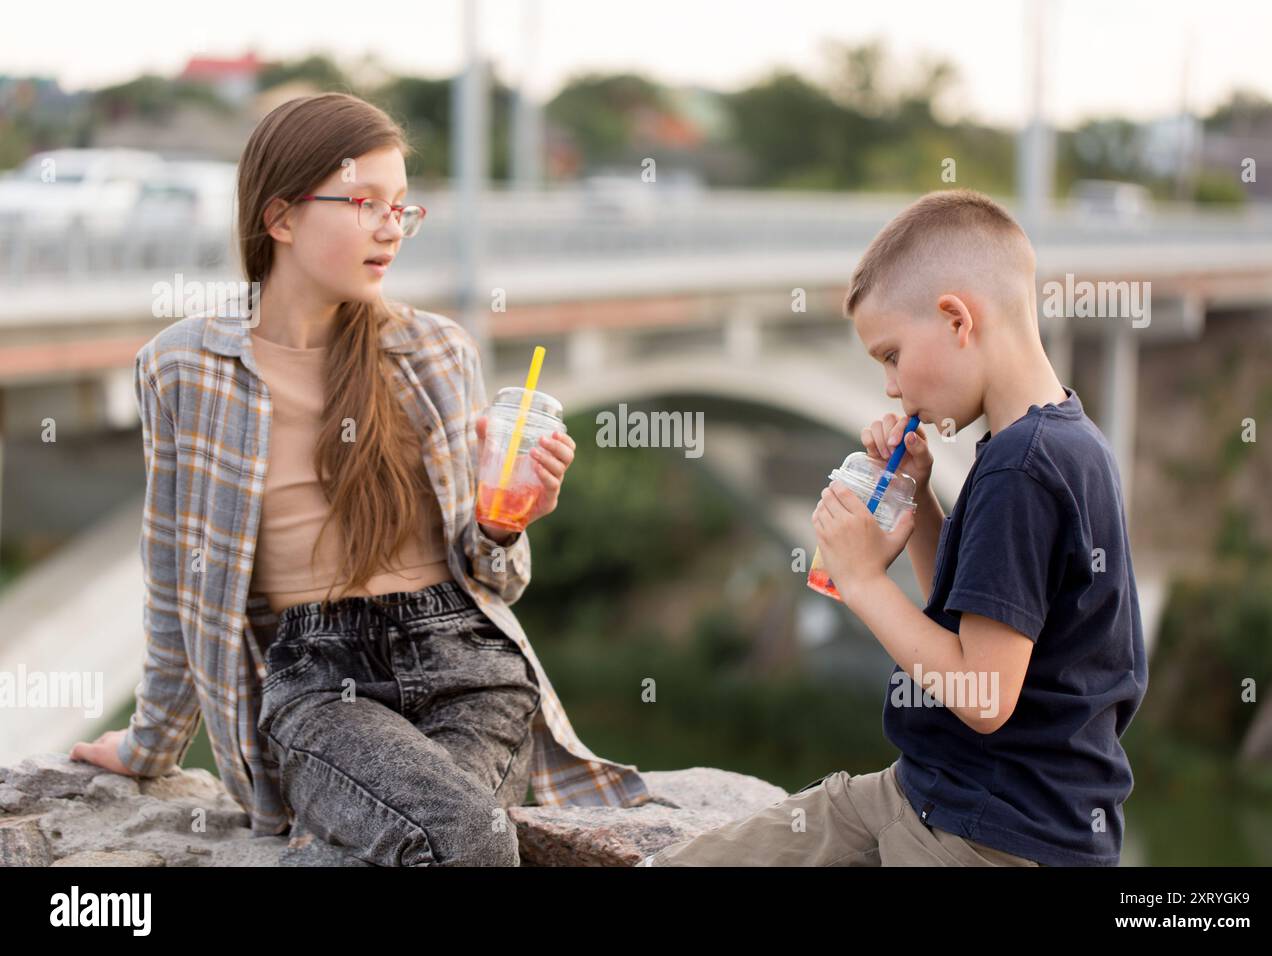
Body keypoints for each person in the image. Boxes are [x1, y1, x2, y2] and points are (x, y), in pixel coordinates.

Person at [70, 92, 650, 866]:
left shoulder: (437, 351)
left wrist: (508, 521)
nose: (390, 227)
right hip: (320, 681)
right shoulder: (185, 368)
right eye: (365, 202)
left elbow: (494, 580)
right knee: (469, 839)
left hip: (469, 663)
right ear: (280, 218)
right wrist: (148, 746)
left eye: (403, 208)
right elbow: (177, 581)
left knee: (430, 844)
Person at [643, 189, 1146, 866]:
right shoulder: (1049, 439)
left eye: (891, 355)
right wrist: (917, 503)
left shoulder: (1023, 467)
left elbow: (985, 695)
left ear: (956, 320)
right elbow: (974, 618)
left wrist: (859, 579)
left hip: (996, 835)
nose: (889, 386)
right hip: (927, 790)